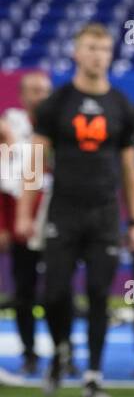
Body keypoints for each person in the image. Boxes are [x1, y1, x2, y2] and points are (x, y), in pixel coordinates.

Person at [25, 24, 134, 397]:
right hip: (63, 210)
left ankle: (93, 373)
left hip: (104, 213)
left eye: (104, 49)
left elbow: (130, 169)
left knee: (97, 293)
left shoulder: (121, 105)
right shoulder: (55, 103)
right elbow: (34, 162)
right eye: (91, 48)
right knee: (55, 293)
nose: (98, 55)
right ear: (76, 53)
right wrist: (26, 215)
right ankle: (61, 351)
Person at [0, 71, 52, 373]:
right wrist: (4, 224)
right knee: (24, 291)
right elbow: (4, 180)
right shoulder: (13, 129)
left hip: (57, 219)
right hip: (23, 222)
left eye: (44, 91)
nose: (40, 97)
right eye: (34, 91)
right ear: (22, 95)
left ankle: (63, 351)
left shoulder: (62, 125)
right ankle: (29, 352)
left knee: (58, 291)